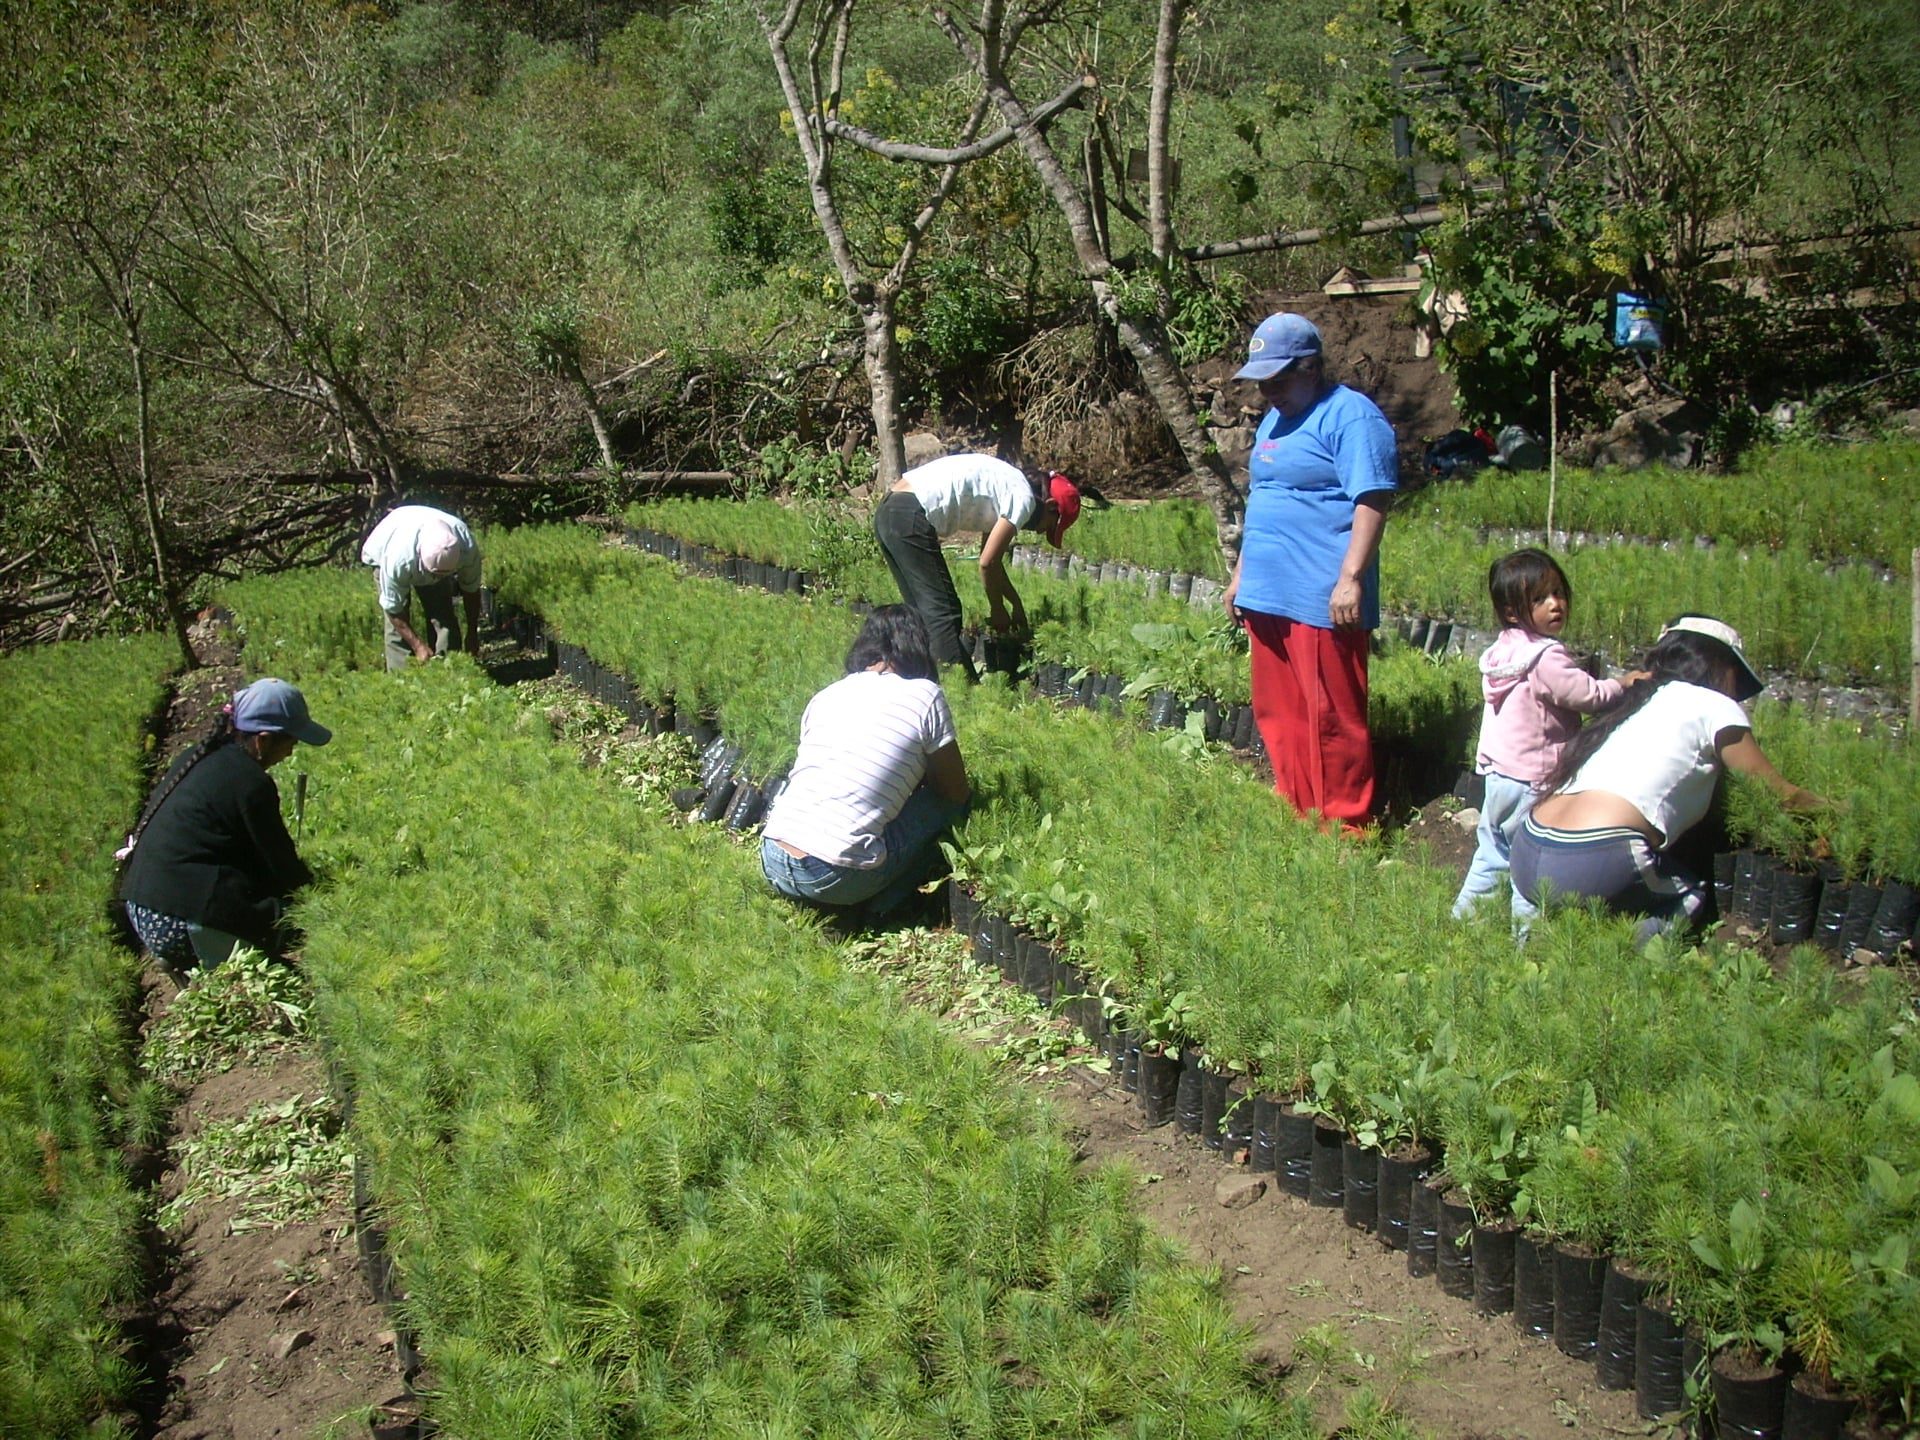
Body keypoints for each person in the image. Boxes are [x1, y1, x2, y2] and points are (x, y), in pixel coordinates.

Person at [1510, 615, 1826, 943]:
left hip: (1528, 846)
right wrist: (1834, 808)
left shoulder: (1640, 699)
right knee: (1690, 891)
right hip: (1593, 857)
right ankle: (1615, 956)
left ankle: (1539, 944)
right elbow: (1776, 793)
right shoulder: (1717, 706)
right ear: (1719, 664)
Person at [1222, 312, 1398, 828]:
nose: (1268, 391)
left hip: (1321, 593)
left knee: (1330, 717)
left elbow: (1373, 498)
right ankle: (1296, 806)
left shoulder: (1350, 417)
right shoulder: (1275, 419)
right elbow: (1263, 499)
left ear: (1312, 367)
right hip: (1268, 591)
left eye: (1278, 378)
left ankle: (1343, 825)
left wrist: (1351, 578)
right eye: (1262, 381)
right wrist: (1241, 576)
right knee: (1281, 712)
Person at [1452, 549, 1636, 922]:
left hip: (1500, 775)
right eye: (1540, 598)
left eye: (1558, 593)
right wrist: (1622, 685)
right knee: (1530, 863)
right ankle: (1527, 941)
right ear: (1511, 610)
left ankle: (1463, 919)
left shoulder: (1504, 650)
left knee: (1492, 852)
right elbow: (1587, 696)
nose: (1556, 604)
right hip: (1535, 778)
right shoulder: (1546, 657)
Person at [761, 606, 972, 917]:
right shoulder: (925, 695)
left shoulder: (828, 694)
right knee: (953, 803)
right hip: (836, 876)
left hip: (773, 858)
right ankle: (885, 904)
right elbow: (955, 790)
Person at [119, 678, 331, 969]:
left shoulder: (196, 757)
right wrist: (320, 896)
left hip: (142, 906)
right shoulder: (251, 783)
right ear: (263, 739)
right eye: (290, 742)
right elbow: (281, 867)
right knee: (291, 924)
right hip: (179, 919)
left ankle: (185, 961)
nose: (291, 752)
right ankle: (200, 955)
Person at [874, 453, 1080, 680]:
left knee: (921, 613)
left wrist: (1015, 603)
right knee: (945, 612)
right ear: (1050, 506)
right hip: (910, 514)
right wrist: (998, 609)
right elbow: (986, 563)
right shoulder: (1023, 499)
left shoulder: (1008, 483)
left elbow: (992, 559)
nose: (1042, 533)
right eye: (1050, 527)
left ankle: (917, 678)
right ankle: (960, 691)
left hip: (890, 510)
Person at [360, 504, 484, 671]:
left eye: (442, 575)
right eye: (433, 574)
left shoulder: (467, 547)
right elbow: (393, 609)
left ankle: (449, 672)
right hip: (384, 547)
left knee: (443, 614)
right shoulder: (398, 559)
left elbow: (471, 591)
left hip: (426, 549)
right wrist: (418, 645)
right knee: (396, 632)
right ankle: (402, 680)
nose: (435, 579)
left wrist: (472, 633)